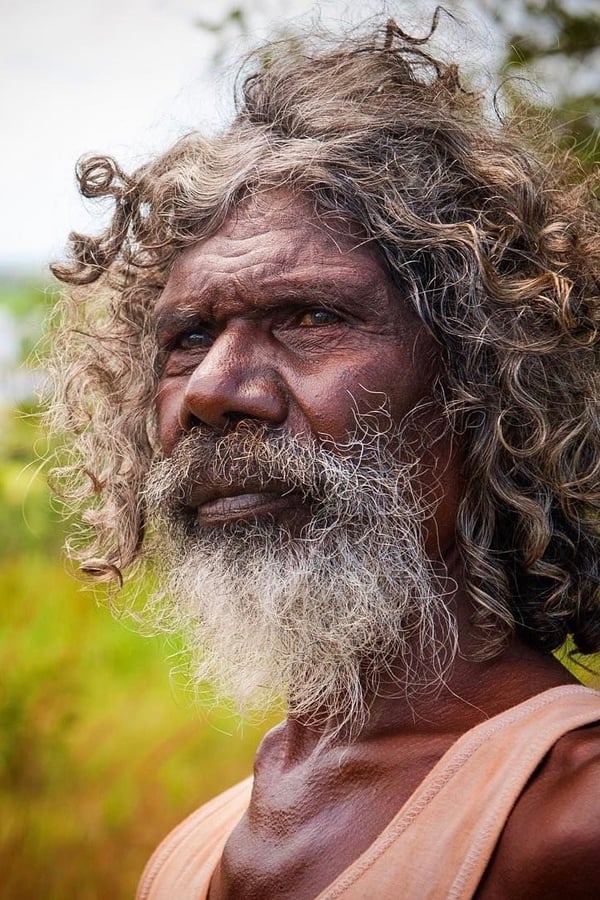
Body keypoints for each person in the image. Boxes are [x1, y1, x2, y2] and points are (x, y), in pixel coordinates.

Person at [48, 15, 600, 900]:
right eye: (188, 337)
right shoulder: (191, 849)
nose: (212, 390)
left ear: (484, 376)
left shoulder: (567, 824)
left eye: (309, 318)